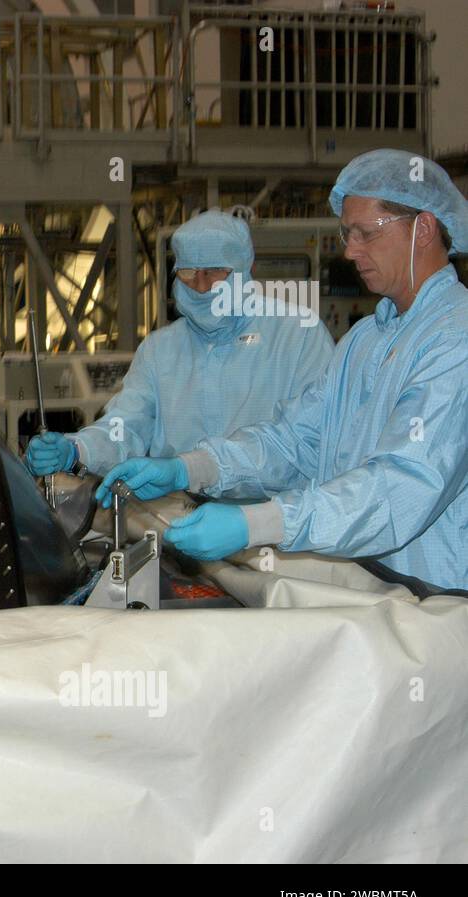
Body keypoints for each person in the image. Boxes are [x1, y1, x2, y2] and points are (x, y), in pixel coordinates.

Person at [98, 150, 468, 592]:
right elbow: (294, 440)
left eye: (365, 233)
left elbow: (399, 490)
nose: (349, 251)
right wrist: (190, 468)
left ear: (423, 228)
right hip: (373, 587)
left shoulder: (454, 340)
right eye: (346, 234)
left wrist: (259, 523)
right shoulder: (367, 338)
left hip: (439, 599)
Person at [26, 210, 333, 479]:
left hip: (276, 517)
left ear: (245, 271)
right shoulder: (160, 349)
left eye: (213, 273)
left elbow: (307, 440)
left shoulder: (297, 337)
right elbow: (128, 425)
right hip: (178, 511)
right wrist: (78, 448)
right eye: (188, 273)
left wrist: (200, 469)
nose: (200, 286)